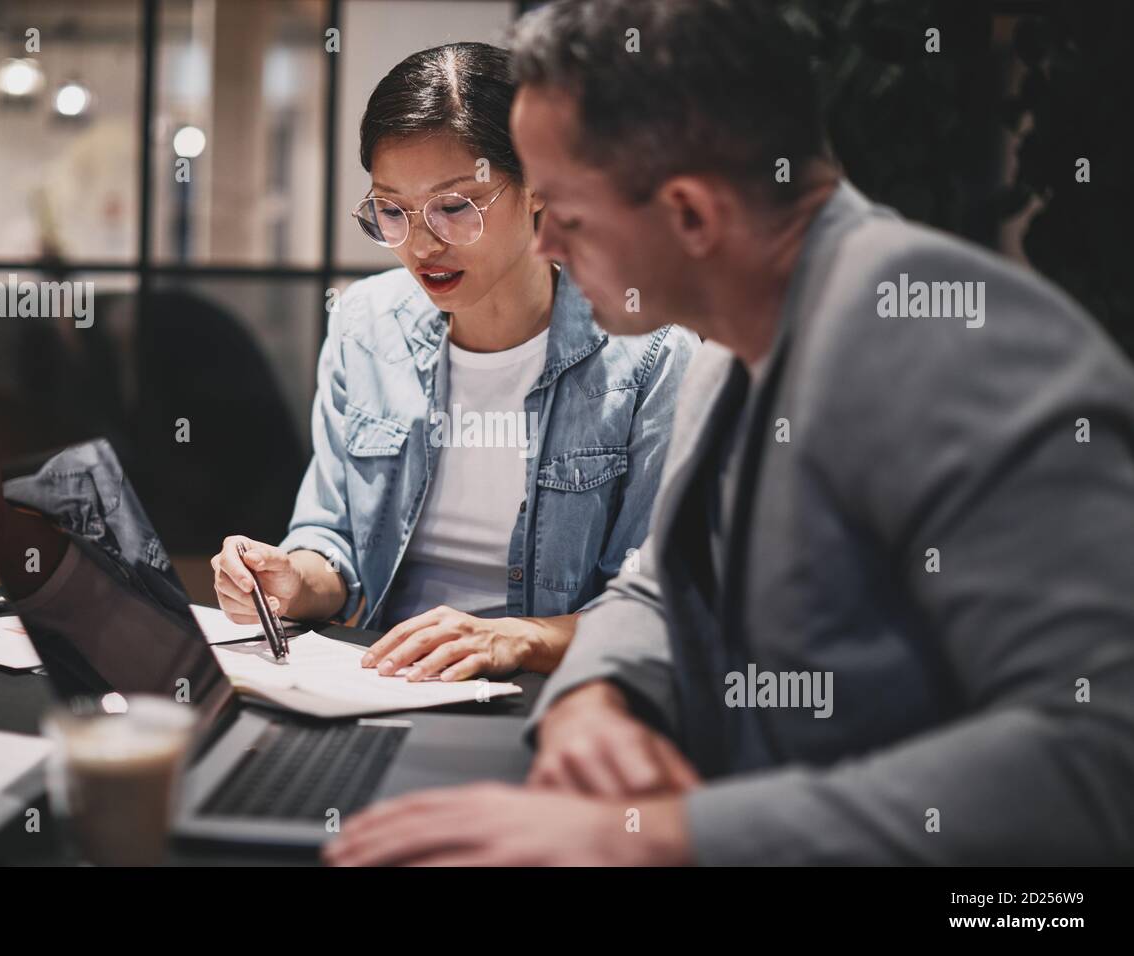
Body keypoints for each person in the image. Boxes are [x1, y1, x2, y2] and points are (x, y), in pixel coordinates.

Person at [324, 0, 1134, 865]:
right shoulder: (730, 346)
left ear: (693, 217)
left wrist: (664, 838)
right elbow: (662, 586)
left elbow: (1098, 757)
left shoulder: (950, 344)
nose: (545, 238)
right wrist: (594, 698)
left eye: (566, 208)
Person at [212, 42, 694, 683]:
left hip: (551, 696)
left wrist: (516, 640)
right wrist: (290, 580)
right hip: (376, 675)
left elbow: (656, 608)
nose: (420, 243)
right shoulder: (366, 325)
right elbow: (333, 544)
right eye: (391, 210)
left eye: (456, 206)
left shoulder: (649, 351)